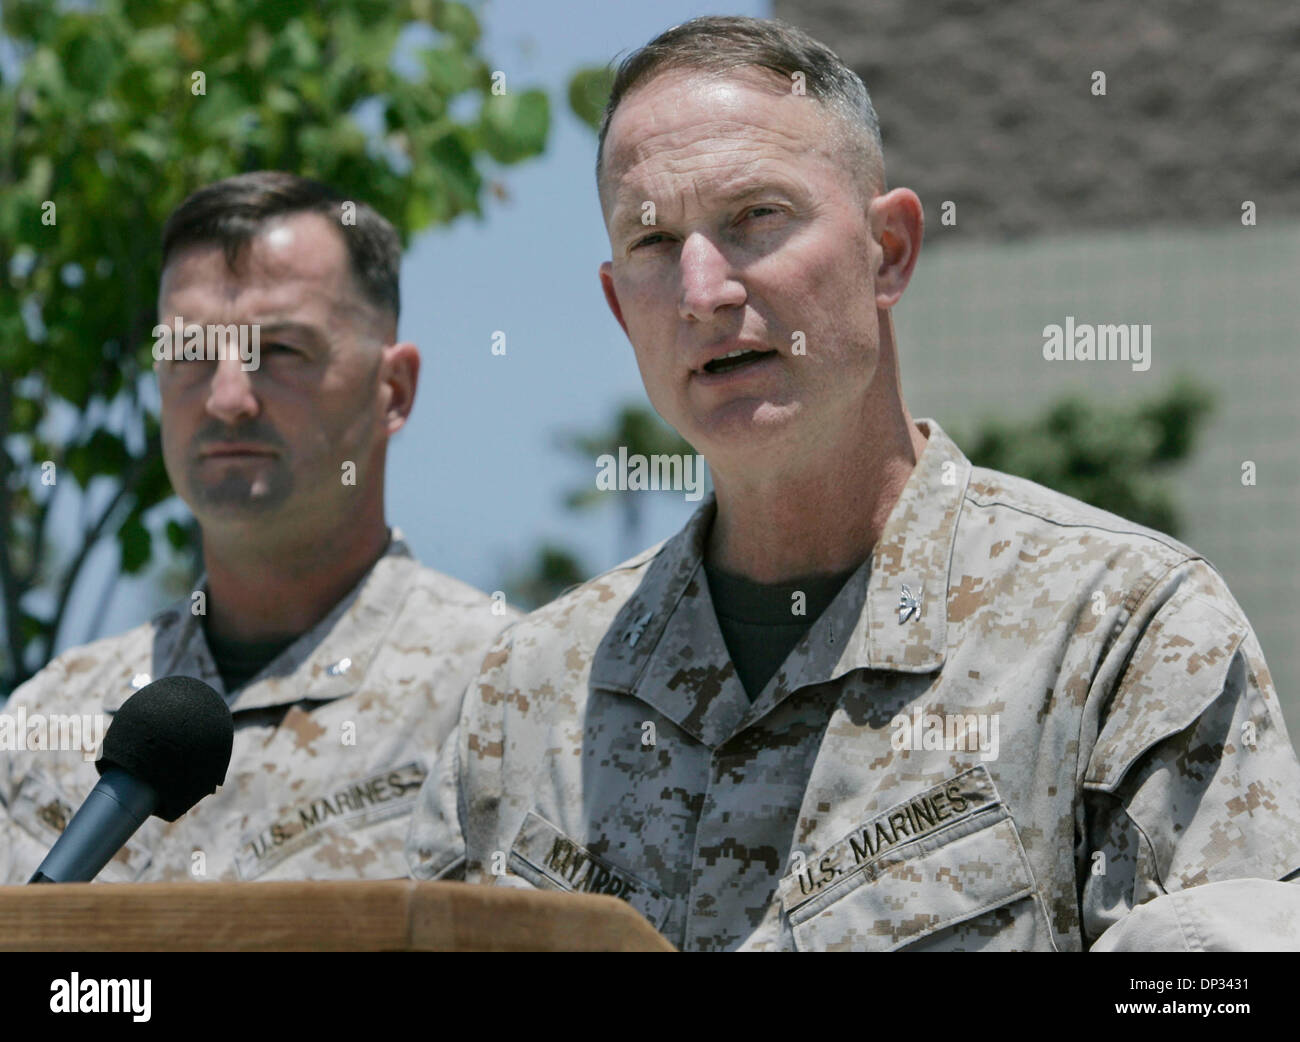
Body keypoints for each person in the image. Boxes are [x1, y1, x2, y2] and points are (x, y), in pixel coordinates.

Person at [406, 16, 1300, 950]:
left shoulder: (1119, 632)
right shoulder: (525, 700)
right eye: (654, 242)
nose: (703, 289)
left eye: (756, 216)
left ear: (891, 251)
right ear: (620, 308)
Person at [1, 171, 513, 883]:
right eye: (189, 352)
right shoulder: (47, 716)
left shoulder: (506, 695)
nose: (228, 396)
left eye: (278, 351)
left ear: (392, 390)